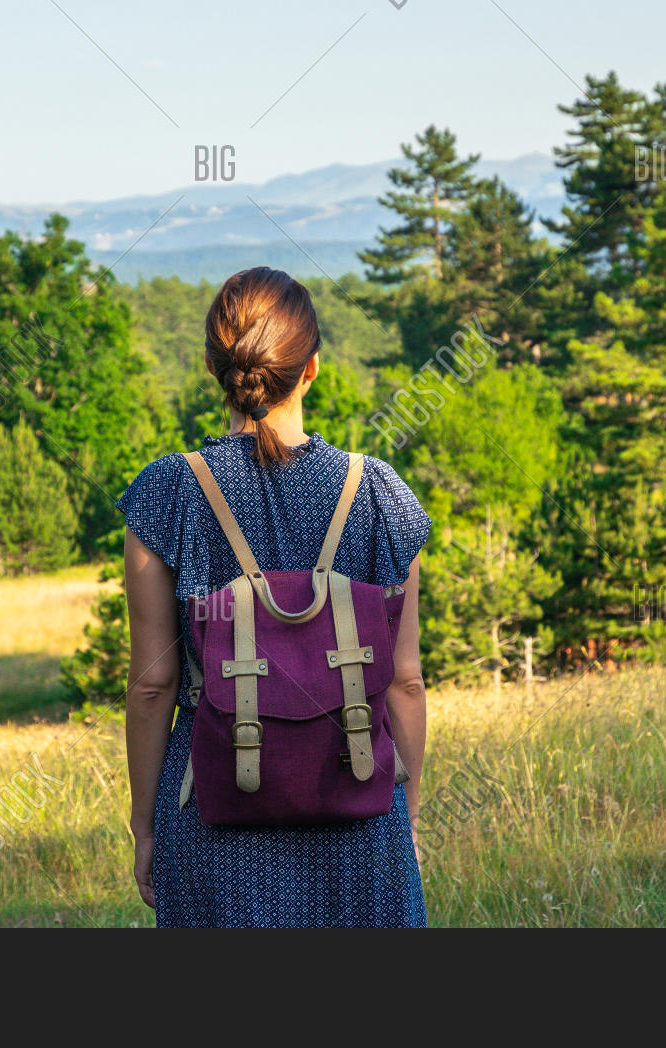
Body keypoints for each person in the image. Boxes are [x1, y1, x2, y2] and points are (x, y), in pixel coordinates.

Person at [117, 266, 431, 927]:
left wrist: (146, 827)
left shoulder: (166, 493)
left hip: (209, 814)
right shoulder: (378, 492)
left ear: (214, 367)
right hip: (358, 817)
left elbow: (152, 687)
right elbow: (404, 681)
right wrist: (407, 809)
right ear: (311, 368)